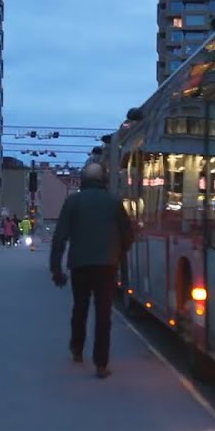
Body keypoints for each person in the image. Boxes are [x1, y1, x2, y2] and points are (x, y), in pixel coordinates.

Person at [50, 162, 133, 379]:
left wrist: (56, 269)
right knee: (103, 313)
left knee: (80, 307)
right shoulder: (114, 202)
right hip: (107, 265)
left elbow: (59, 237)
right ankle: (101, 364)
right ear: (103, 180)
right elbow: (128, 233)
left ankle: (77, 349)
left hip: (80, 264)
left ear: (84, 180)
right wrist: (119, 252)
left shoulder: (73, 201)